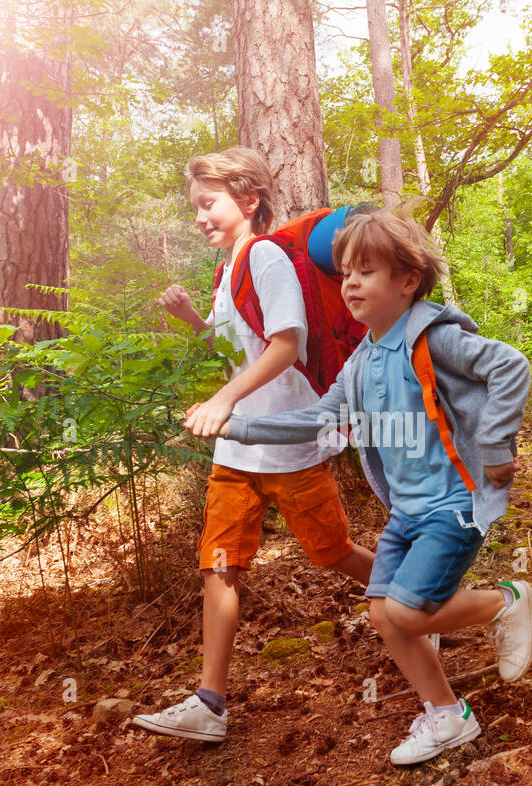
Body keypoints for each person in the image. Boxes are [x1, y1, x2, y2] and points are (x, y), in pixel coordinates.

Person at [193, 209, 532, 766]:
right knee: (383, 614)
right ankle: (448, 714)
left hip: (453, 505)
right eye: (347, 271)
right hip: (406, 513)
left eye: (367, 271)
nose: (350, 282)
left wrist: (496, 450)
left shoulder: (436, 337)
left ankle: (506, 601)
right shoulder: (361, 360)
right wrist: (237, 424)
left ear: (407, 281)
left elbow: (511, 366)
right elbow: (317, 418)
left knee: (404, 613)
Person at [133, 147, 375, 743]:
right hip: (237, 450)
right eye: (196, 206)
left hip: (285, 443)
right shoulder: (228, 269)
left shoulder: (266, 257)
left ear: (248, 199)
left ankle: (433, 603)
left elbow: (286, 344)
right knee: (219, 566)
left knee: (334, 553)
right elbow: (230, 349)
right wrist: (193, 318)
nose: (199, 217)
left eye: (208, 203)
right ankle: (209, 703)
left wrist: (223, 401)